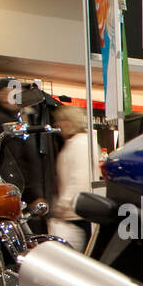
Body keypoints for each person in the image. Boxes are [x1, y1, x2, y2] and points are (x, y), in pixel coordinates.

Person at [48, 106, 94, 252]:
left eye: (60, 121)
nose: (57, 125)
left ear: (69, 122)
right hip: (75, 213)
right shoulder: (79, 143)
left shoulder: (79, 144)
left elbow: (79, 178)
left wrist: (63, 205)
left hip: (76, 214)